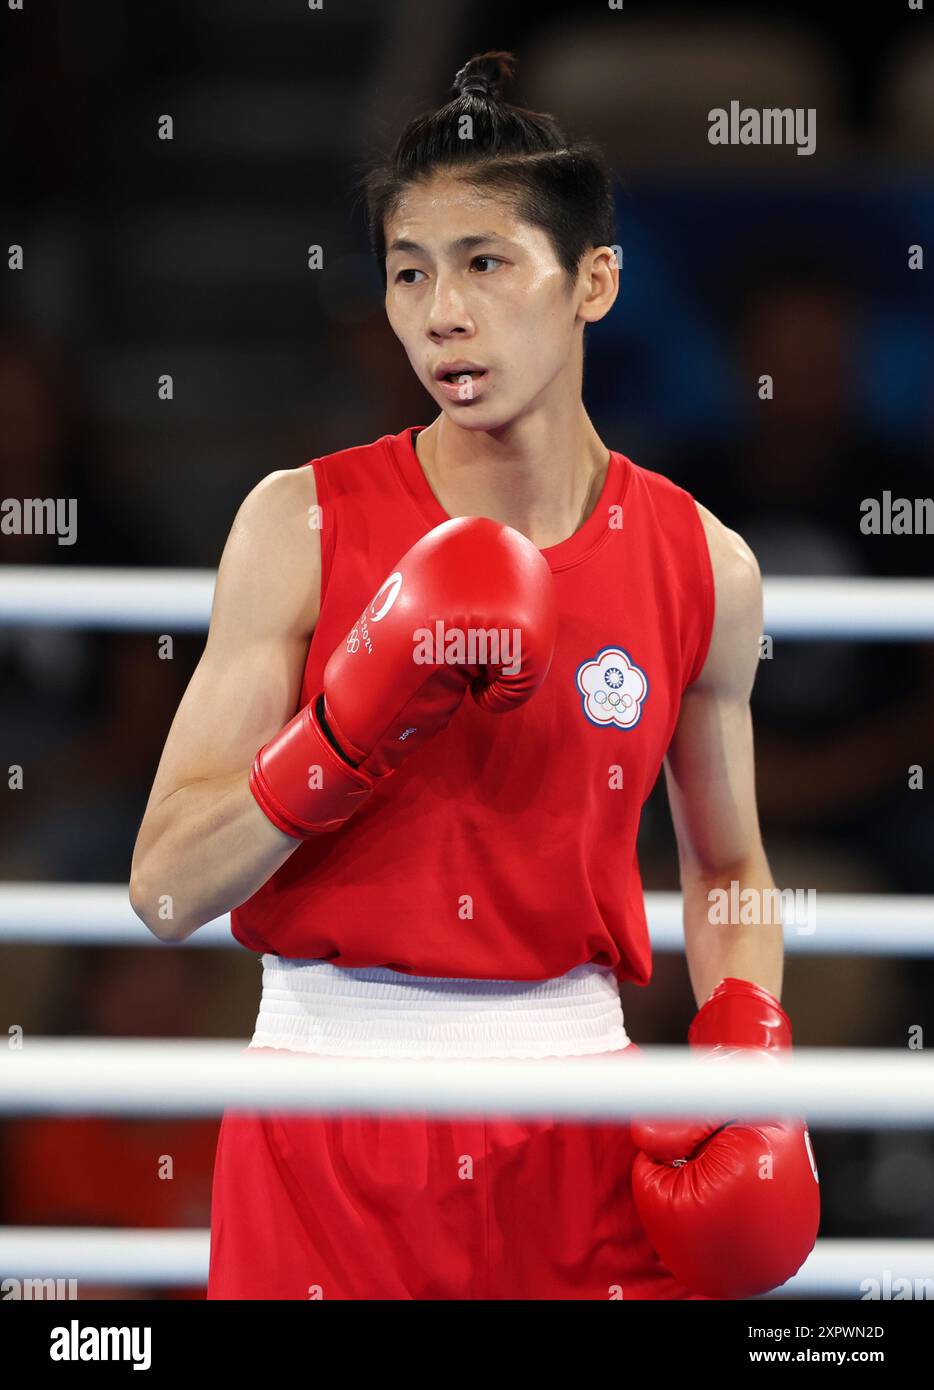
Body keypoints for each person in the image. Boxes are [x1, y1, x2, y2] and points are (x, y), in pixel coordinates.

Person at [129, 51, 818, 1300]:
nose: (441, 311)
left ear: (592, 282)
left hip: (577, 1118)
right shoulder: (301, 525)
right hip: (322, 1113)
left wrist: (745, 1047)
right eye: (408, 272)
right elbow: (167, 889)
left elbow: (727, 869)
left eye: (485, 263)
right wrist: (343, 730)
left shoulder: (704, 564)